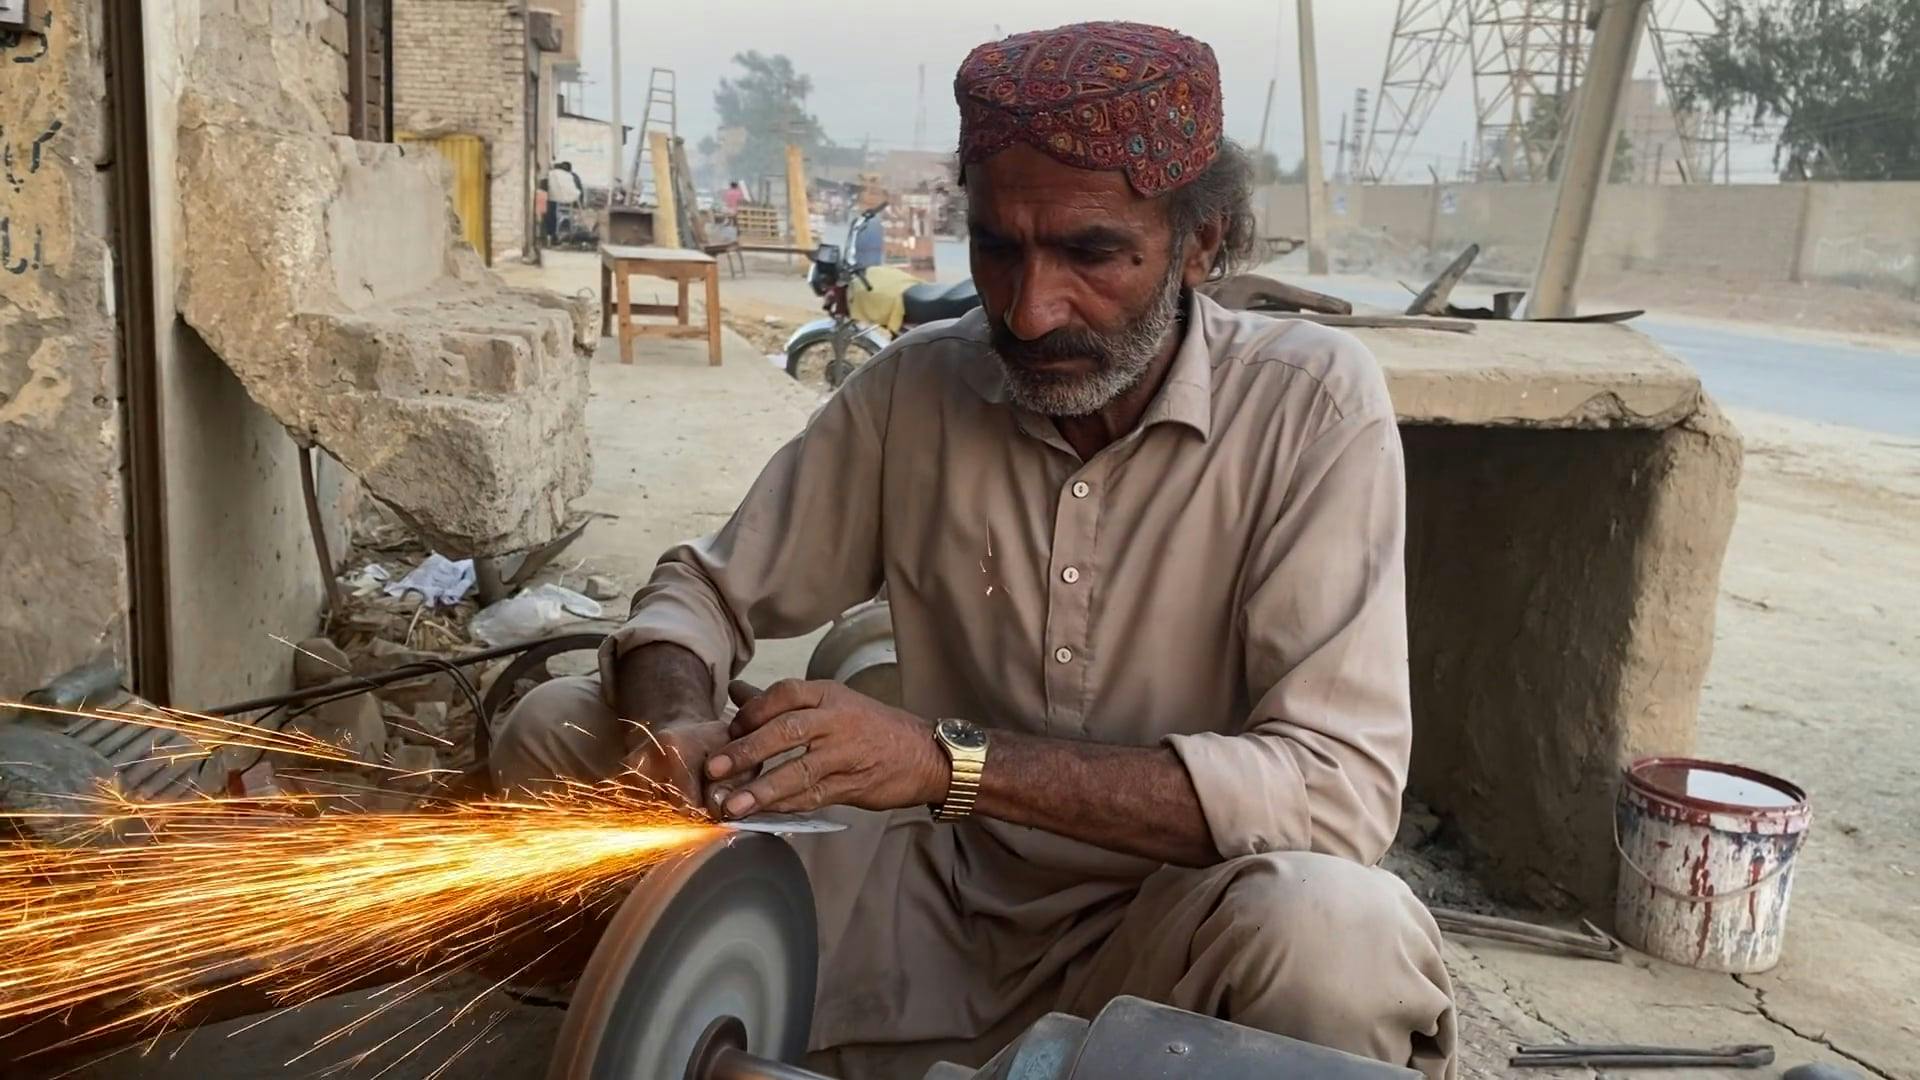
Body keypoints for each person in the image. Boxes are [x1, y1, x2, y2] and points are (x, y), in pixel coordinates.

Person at [494, 21, 1456, 1080]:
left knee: (1340, 938)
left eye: (1092, 253)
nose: (1031, 311)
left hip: (1169, 936)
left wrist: (947, 762)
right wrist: (675, 718)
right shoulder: (920, 388)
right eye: (998, 246)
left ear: (1203, 243)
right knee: (559, 736)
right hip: (930, 899)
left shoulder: (1312, 405)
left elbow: (1336, 793)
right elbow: (700, 590)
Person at [545, 161, 581, 246]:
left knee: (551, 216)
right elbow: (578, 190)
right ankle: (556, 236)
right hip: (568, 201)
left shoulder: (552, 174)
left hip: (552, 199)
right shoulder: (571, 176)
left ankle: (551, 236)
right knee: (555, 216)